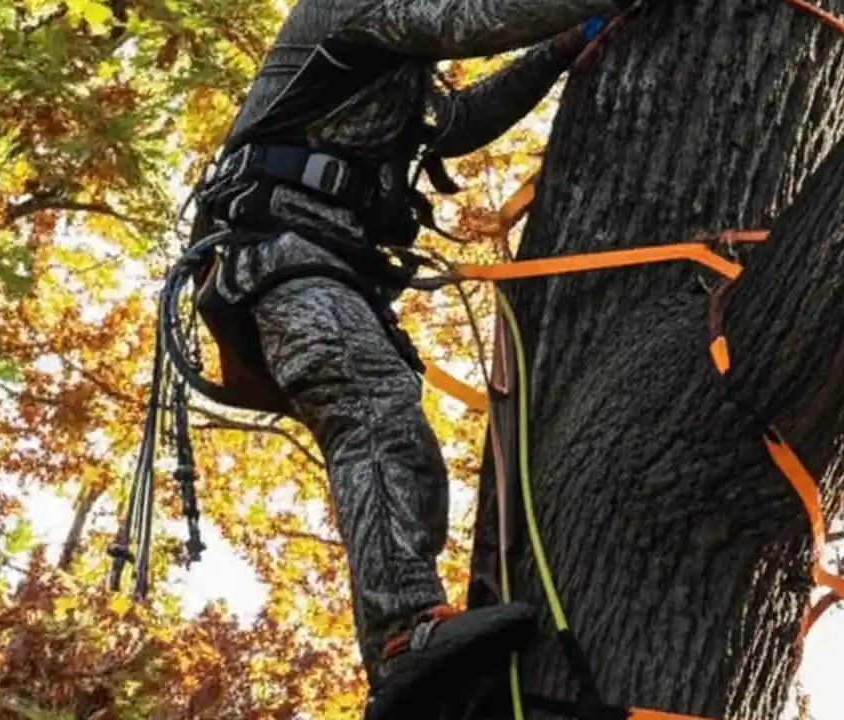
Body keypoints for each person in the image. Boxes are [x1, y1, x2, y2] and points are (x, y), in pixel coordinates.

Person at [189, 0, 633, 715]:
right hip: (277, 255)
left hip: (320, 266)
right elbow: (469, 22)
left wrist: (558, 50)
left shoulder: (399, 69)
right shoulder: (351, 8)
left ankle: (417, 670)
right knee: (372, 410)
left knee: (406, 446)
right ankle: (404, 633)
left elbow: (454, 125)